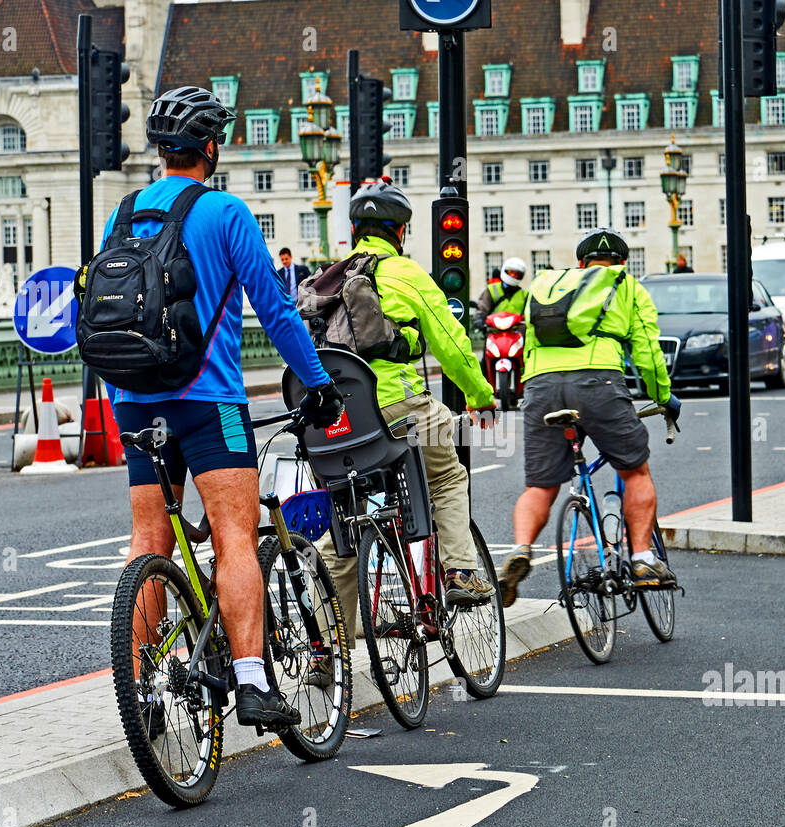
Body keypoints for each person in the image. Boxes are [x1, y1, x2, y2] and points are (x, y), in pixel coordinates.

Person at [102, 86, 343, 729]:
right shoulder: (226, 212)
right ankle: (252, 683)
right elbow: (277, 310)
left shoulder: (122, 215)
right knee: (236, 537)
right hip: (208, 403)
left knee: (150, 539)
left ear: (160, 150)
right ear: (211, 147)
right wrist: (317, 383)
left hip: (132, 403)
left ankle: (144, 691)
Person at [315, 177, 499, 653]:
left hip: (335, 422)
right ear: (400, 233)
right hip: (398, 410)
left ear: (355, 229)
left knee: (344, 523)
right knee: (446, 478)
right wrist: (480, 397)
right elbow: (453, 345)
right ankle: (459, 570)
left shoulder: (325, 279)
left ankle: (325, 649)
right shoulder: (407, 273)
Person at [498, 228, 681, 607]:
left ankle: (520, 548)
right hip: (599, 382)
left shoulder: (548, 286)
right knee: (635, 471)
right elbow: (646, 351)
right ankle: (644, 560)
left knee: (541, 486)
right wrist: (663, 397)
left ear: (580, 264)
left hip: (540, 386)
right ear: (621, 264)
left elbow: (527, 344)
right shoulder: (627, 286)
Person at [474, 256, 529, 329]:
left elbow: (528, 314)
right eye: (511, 272)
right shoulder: (491, 289)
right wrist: (479, 318)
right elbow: (482, 307)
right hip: (493, 331)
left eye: (517, 274)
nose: (513, 276)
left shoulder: (524, 294)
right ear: (505, 270)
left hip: (516, 333)